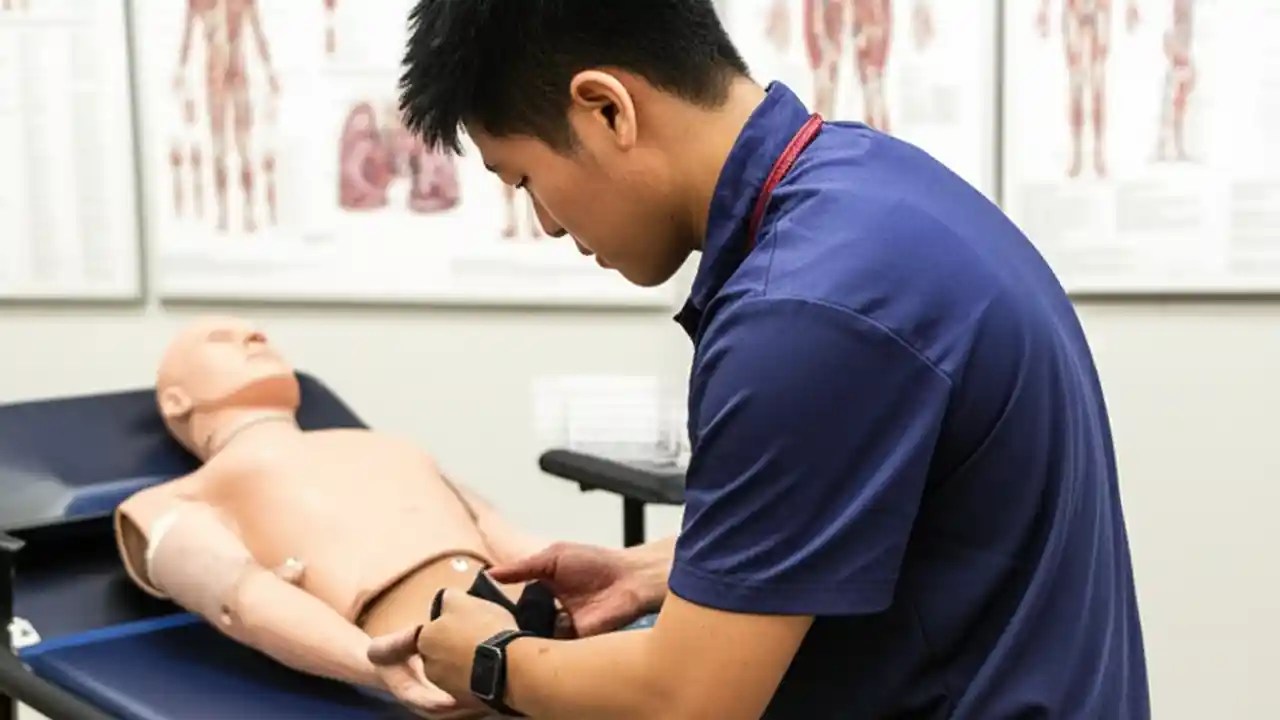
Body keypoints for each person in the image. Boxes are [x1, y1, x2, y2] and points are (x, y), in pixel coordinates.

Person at [370, 2, 1150, 717]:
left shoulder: (803, 316)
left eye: (526, 179)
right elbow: (913, 512)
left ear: (607, 108)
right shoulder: (871, 192)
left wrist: (491, 661)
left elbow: (687, 704)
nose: (542, 222)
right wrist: (664, 572)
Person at [114, 315, 555, 717]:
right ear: (176, 401)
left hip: (546, 625)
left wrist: (606, 603)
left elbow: (513, 541)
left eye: (254, 331)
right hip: (442, 649)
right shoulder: (169, 502)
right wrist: (379, 666)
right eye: (220, 339)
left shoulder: (390, 446)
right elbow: (245, 601)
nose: (256, 335)